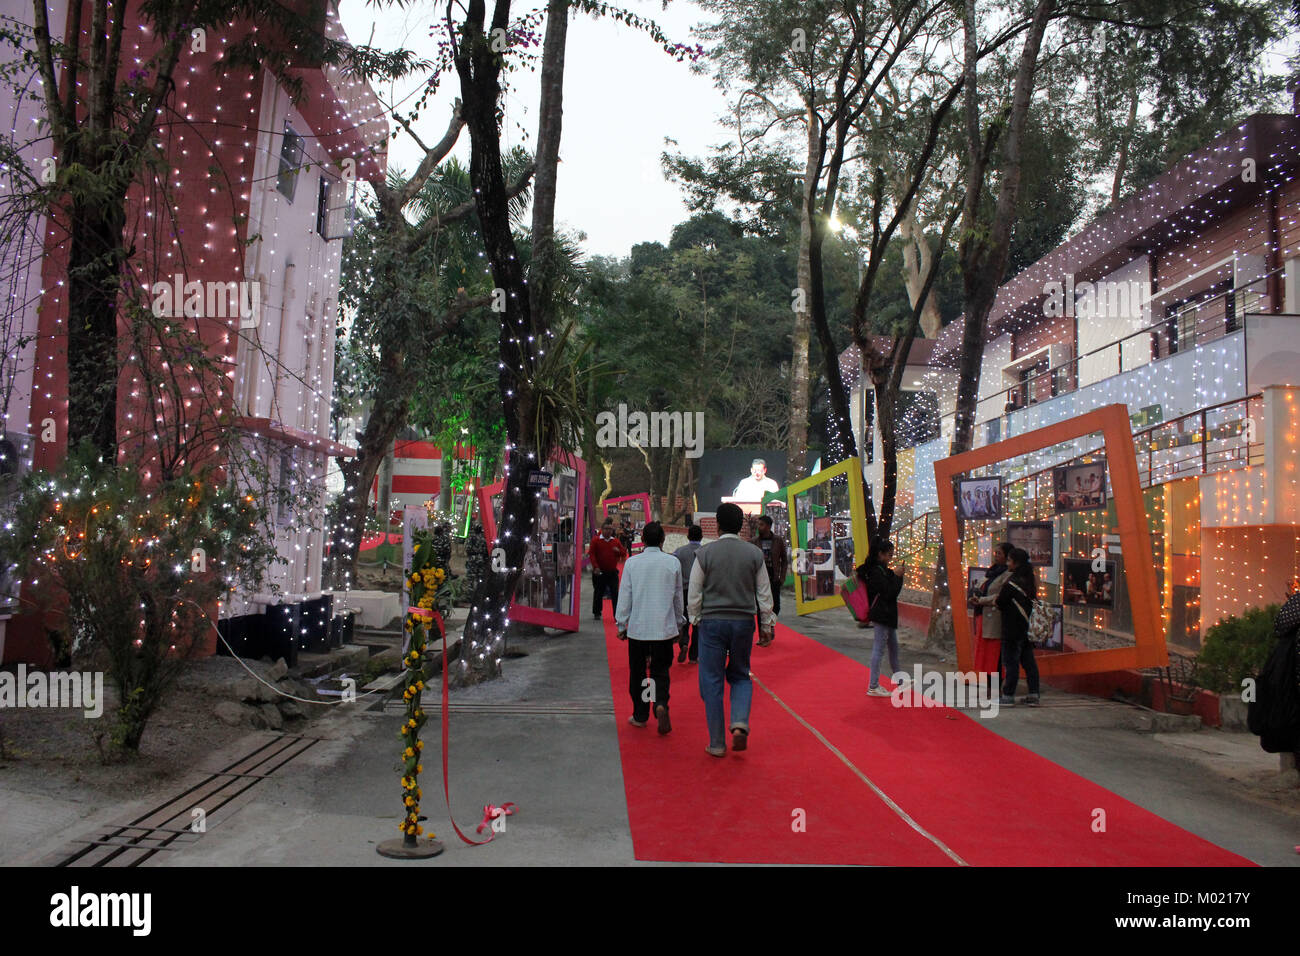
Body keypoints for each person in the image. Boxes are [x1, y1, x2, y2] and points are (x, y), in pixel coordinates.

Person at [688, 502, 774, 757]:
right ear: (741, 527)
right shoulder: (754, 554)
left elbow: (694, 592)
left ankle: (716, 743)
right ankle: (739, 722)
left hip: (712, 622)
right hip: (744, 623)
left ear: (717, 523)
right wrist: (767, 625)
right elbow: (764, 593)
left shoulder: (705, 554)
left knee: (711, 680)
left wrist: (695, 618)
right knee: (740, 675)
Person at [615, 522, 684, 735]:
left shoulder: (632, 564)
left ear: (642, 540)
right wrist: (679, 623)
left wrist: (621, 622)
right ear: (663, 540)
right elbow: (677, 598)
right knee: (660, 671)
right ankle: (660, 702)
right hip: (663, 629)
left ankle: (641, 714)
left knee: (639, 674)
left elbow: (625, 595)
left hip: (638, 628)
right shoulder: (673, 563)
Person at [859, 538, 906, 697]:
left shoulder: (880, 570)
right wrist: (898, 578)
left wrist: (897, 576)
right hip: (882, 614)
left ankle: (900, 680)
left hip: (887, 615)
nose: (891, 558)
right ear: (880, 554)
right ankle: (873, 685)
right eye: (889, 555)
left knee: (893, 648)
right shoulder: (875, 572)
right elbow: (890, 592)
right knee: (879, 649)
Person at [996, 547, 1041, 706]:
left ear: (1016, 563)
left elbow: (1000, 602)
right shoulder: (1030, 581)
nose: (1007, 563)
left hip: (1011, 628)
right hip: (1027, 627)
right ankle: (1034, 693)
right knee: (1029, 662)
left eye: (1009, 560)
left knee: (1011, 662)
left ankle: (1008, 694)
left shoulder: (1012, 583)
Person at [974, 544, 1012, 697]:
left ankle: (996, 687)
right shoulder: (991, 572)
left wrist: (981, 600)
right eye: (995, 552)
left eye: (999, 553)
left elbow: (1000, 596)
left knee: (995, 655)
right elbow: (980, 586)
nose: (996, 555)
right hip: (985, 617)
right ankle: (989, 686)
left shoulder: (1008, 574)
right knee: (986, 654)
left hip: (997, 619)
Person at [673, 524, 705, 663]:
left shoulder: (679, 552)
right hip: (701, 592)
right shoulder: (705, 552)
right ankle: (693, 656)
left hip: (684, 590)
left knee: (684, 619)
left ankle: (684, 642)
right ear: (701, 537)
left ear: (687, 536)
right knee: (698, 623)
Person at [588, 517, 628, 620]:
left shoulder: (615, 541)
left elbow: (624, 552)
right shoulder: (596, 540)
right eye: (606, 529)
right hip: (599, 571)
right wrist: (595, 567)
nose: (608, 531)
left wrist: (618, 551)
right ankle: (597, 612)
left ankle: (616, 614)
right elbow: (592, 555)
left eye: (610, 529)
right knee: (598, 592)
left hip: (612, 572)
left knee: (615, 593)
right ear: (602, 529)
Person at [754, 514, 789, 623]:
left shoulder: (778, 541)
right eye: (758, 524)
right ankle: (763, 633)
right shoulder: (753, 542)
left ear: (768, 526)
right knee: (761, 606)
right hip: (759, 578)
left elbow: (784, 560)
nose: (758, 527)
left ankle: (770, 625)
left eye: (761, 525)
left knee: (776, 605)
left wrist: (782, 577)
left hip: (774, 578)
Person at [464, 522, 488, 595]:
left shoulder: (471, 537)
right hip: (481, 559)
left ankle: (469, 594)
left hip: (472, 559)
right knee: (480, 578)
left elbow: (467, 548)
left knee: (471, 577)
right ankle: (479, 594)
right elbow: (486, 550)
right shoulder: (484, 537)